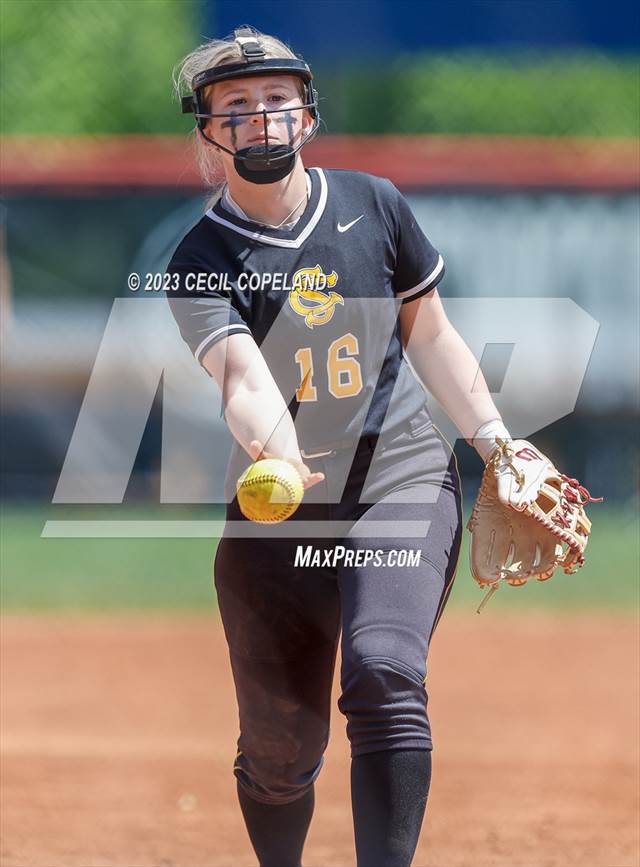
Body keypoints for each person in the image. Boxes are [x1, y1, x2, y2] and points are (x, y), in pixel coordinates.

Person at [167, 27, 513, 867]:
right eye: (237, 104)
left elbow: (433, 337)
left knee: (383, 669)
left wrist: (498, 442)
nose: (261, 117)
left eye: (277, 98)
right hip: (279, 508)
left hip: (399, 473)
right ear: (208, 128)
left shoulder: (375, 204)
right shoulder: (201, 257)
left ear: (308, 114)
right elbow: (241, 377)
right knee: (279, 750)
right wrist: (279, 451)